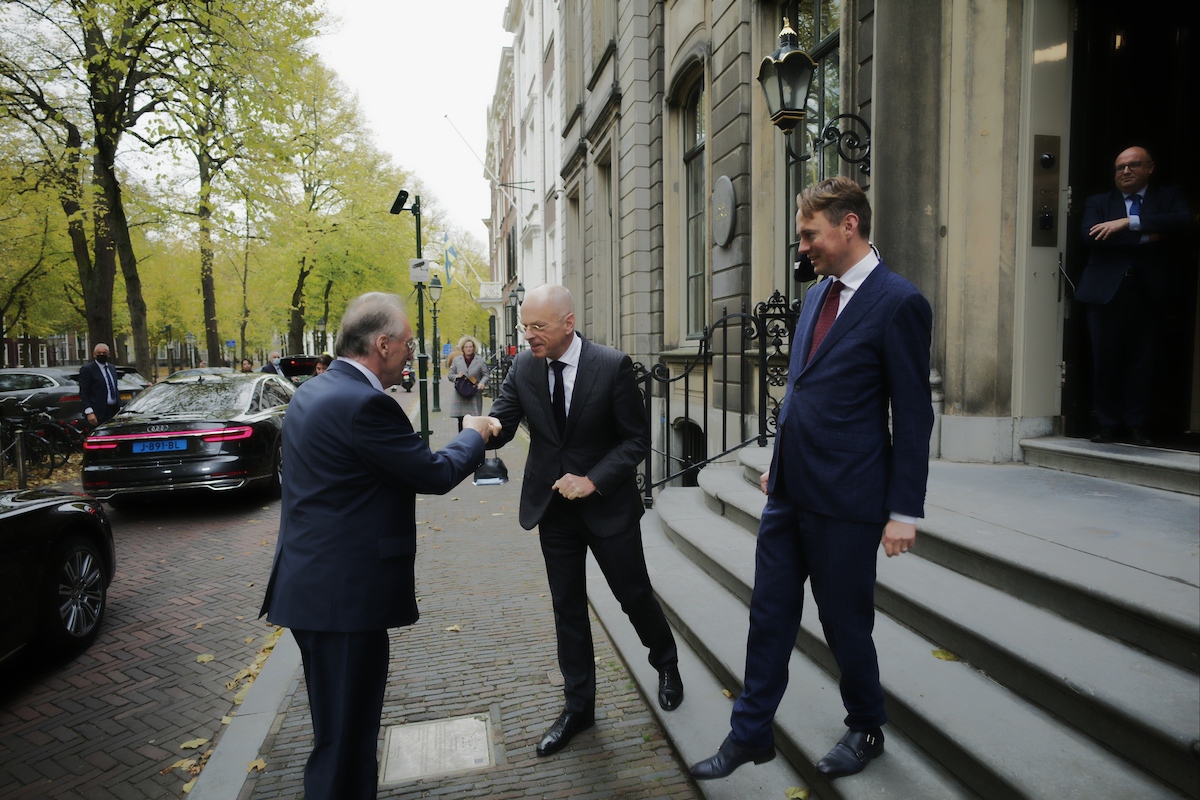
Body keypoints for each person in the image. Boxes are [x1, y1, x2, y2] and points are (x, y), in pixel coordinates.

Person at [689, 177, 934, 782]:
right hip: (791, 488)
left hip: (849, 498)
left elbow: (913, 414)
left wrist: (905, 509)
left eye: (809, 234)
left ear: (848, 225)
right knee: (768, 612)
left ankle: (866, 723)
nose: (803, 247)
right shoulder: (817, 297)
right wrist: (779, 457)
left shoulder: (899, 302)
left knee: (844, 622)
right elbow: (801, 388)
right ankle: (750, 734)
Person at [260, 292, 500, 800]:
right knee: (344, 742)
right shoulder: (366, 404)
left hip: (315, 589)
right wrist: (475, 434)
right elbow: (432, 474)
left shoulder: (314, 391)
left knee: (342, 731)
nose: (413, 352)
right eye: (409, 343)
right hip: (344, 601)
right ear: (382, 344)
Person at [488, 284, 683, 758]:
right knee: (566, 606)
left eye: (538, 327)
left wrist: (594, 480)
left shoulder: (611, 365)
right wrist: (485, 429)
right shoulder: (522, 366)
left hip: (606, 507)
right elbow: (504, 420)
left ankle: (666, 662)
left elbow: (636, 441)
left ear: (568, 323)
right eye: (524, 326)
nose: (529, 335)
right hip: (552, 507)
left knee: (632, 594)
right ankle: (580, 706)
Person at [1077, 146, 1192, 446]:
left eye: (1133, 165)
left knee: (1143, 360)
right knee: (1105, 360)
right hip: (1105, 292)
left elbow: (1181, 220)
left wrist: (1128, 223)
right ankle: (1106, 424)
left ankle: (1136, 425)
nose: (1125, 172)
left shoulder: (1168, 197)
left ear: (1150, 168)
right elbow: (1090, 236)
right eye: (1119, 168)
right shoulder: (1098, 202)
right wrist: (1146, 235)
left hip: (1149, 289)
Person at [445, 336, 488, 431]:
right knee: (461, 422)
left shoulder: (480, 361)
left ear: (474, 348)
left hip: (474, 395)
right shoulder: (457, 360)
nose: (469, 349)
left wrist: (482, 383)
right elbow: (450, 375)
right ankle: (462, 443)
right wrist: (457, 376)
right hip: (460, 395)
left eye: (470, 347)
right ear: (463, 348)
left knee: (473, 424)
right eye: (466, 347)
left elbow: (486, 375)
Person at [78, 342, 123, 427]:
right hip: (97, 413)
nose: (102, 355)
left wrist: (120, 406)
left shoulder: (112, 368)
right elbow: (84, 392)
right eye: (99, 353)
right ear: (94, 355)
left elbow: (114, 388)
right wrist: (89, 411)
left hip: (114, 411)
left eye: (104, 353)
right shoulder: (88, 369)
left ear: (109, 354)